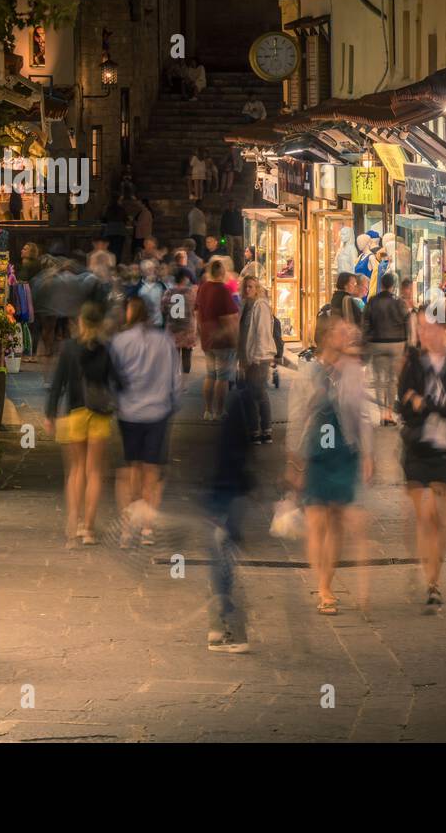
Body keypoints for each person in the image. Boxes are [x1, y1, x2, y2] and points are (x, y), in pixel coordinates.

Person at [287, 314, 373, 615]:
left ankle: (328, 583)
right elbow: (296, 416)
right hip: (316, 453)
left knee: (336, 521)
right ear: (325, 338)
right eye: (338, 332)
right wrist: (293, 460)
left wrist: (368, 454)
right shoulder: (308, 372)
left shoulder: (352, 371)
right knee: (317, 522)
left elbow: (362, 413)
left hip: (343, 451)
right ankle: (323, 588)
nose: (344, 336)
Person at [398, 311, 446, 607]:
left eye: (431, 328)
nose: (426, 334)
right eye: (421, 328)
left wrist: (422, 401)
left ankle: (434, 581)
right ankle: (428, 573)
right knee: (424, 517)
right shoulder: (412, 361)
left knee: (440, 520)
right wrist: (417, 403)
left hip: (444, 446)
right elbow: (403, 400)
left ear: (443, 329)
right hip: (416, 445)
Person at [45, 302, 124, 547]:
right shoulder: (107, 348)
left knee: (76, 471)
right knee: (94, 472)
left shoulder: (69, 348)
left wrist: (50, 414)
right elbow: (119, 382)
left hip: (74, 413)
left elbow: (58, 384)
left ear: (80, 321)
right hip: (99, 414)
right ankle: (88, 529)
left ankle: (73, 522)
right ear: (99, 323)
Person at [110, 295, 180, 547]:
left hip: (128, 412)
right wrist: (173, 403)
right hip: (158, 412)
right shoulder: (165, 341)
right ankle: (148, 529)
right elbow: (175, 378)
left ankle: (127, 530)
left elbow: (113, 377)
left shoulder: (119, 341)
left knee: (130, 469)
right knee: (153, 471)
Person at [206, 386, 254, 652]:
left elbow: (231, 456)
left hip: (224, 495)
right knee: (221, 563)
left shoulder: (234, 405)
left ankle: (234, 631)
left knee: (222, 564)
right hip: (226, 493)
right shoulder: (237, 402)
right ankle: (220, 626)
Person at [237, 275, 282, 443]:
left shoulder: (260, 306)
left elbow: (262, 333)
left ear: (257, 289)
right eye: (246, 287)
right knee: (250, 393)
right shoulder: (246, 306)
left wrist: (255, 357)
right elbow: (243, 334)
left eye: (251, 287)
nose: (248, 290)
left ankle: (265, 429)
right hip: (248, 357)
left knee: (258, 392)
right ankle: (255, 429)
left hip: (260, 356)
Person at [363, 271, 409, 425]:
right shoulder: (398, 302)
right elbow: (406, 322)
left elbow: (366, 323)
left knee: (379, 380)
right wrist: (407, 345)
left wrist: (366, 342)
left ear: (381, 284)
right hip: (396, 344)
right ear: (393, 286)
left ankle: (382, 414)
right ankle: (389, 414)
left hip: (377, 343)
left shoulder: (372, 301)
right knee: (392, 380)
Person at [196, 259, 239, 420]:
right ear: (222, 273)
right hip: (222, 341)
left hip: (208, 339)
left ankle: (207, 410)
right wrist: (235, 340)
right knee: (222, 378)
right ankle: (219, 412)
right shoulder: (222, 290)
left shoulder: (203, 287)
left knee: (210, 375)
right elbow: (229, 318)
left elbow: (197, 311)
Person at [163, 267, 198, 380]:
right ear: (184, 279)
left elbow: (163, 308)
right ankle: (184, 382)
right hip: (187, 329)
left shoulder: (169, 292)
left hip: (173, 329)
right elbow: (196, 308)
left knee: (174, 355)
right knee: (187, 355)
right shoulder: (191, 293)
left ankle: (174, 379)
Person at [137, 258, 166, 328]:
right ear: (142, 272)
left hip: (160, 324)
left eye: (153, 269)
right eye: (149, 269)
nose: (153, 272)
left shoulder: (161, 285)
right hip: (144, 326)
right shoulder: (138, 289)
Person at [101, 198, 128, 263]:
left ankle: (111, 263)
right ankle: (117, 264)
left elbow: (104, 219)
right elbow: (125, 219)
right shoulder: (122, 209)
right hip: (120, 231)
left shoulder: (108, 209)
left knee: (109, 249)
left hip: (110, 231)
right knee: (118, 250)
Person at [220, 197, 244, 270]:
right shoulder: (225, 214)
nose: (231, 206)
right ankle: (230, 267)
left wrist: (242, 232)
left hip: (238, 234)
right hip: (229, 234)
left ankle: (243, 265)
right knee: (230, 252)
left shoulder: (238, 213)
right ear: (228, 205)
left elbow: (241, 223)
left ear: (234, 205)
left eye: (232, 204)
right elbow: (222, 224)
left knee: (241, 251)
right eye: (230, 204)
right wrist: (222, 236)